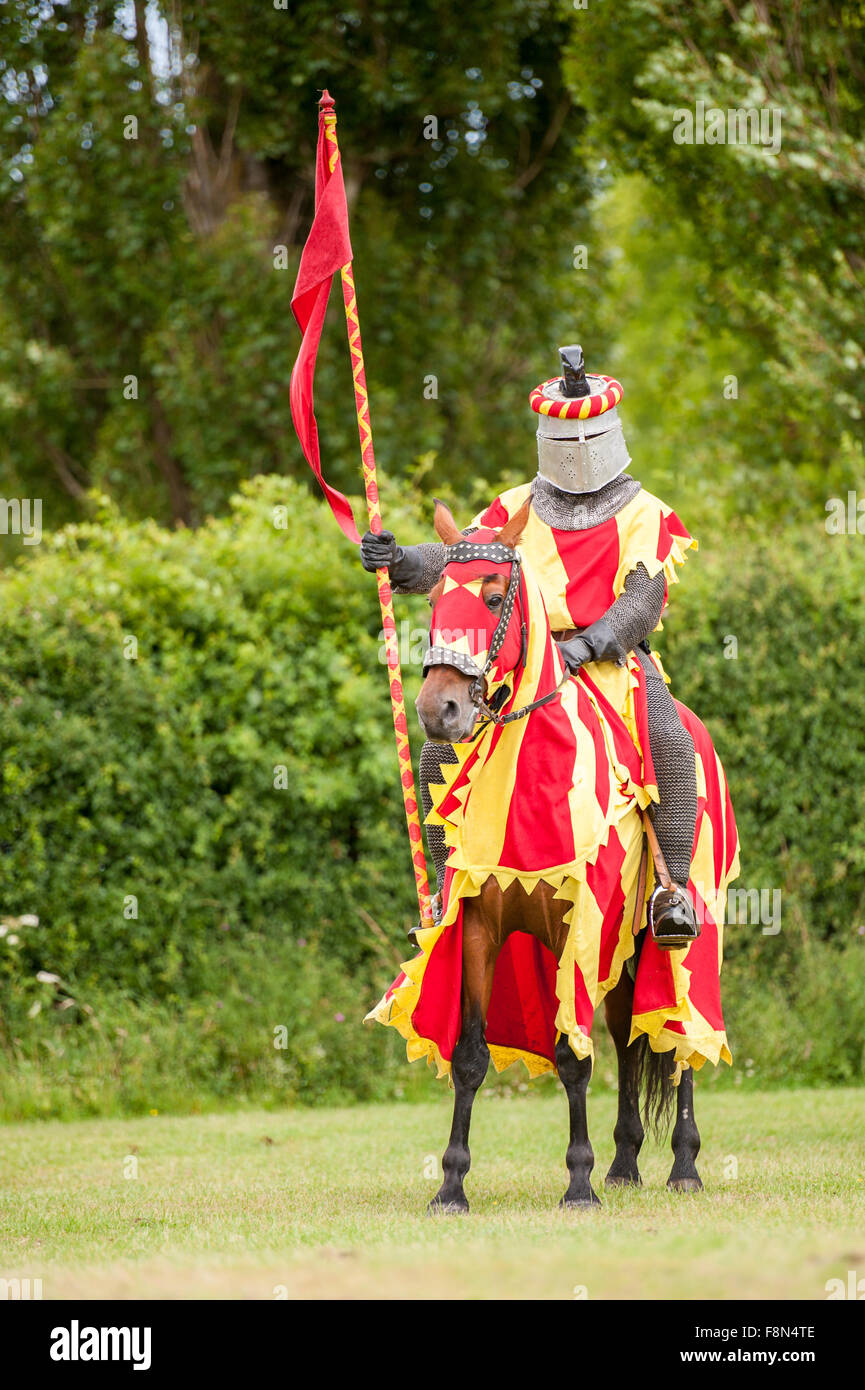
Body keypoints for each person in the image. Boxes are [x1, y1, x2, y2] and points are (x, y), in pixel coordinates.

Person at [359, 346, 700, 948]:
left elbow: (642, 600)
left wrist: (587, 645)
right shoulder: (514, 506)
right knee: (445, 743)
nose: (575, 450)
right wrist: (401, 559)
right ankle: (446, 892)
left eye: (585, 435)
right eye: (562, 437)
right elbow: (459, 561)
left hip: (610, 663)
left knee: (668, 737)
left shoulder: (644, 513)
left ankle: (671, 892)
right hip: (518, 668)